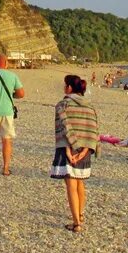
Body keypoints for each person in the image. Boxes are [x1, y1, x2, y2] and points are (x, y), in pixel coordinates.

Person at [50, 75, 99, 233]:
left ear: (69, 88)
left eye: (65, 85)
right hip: (85, 149)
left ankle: (76, 223)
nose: (64, 88)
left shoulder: (62, 105)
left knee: (71, 183)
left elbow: (63, 127)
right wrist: (84, 149)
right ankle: (80, 213)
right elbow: (93, 130)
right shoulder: (90, 107)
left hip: (68, 149)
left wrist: (70, 148)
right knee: (80, 182)